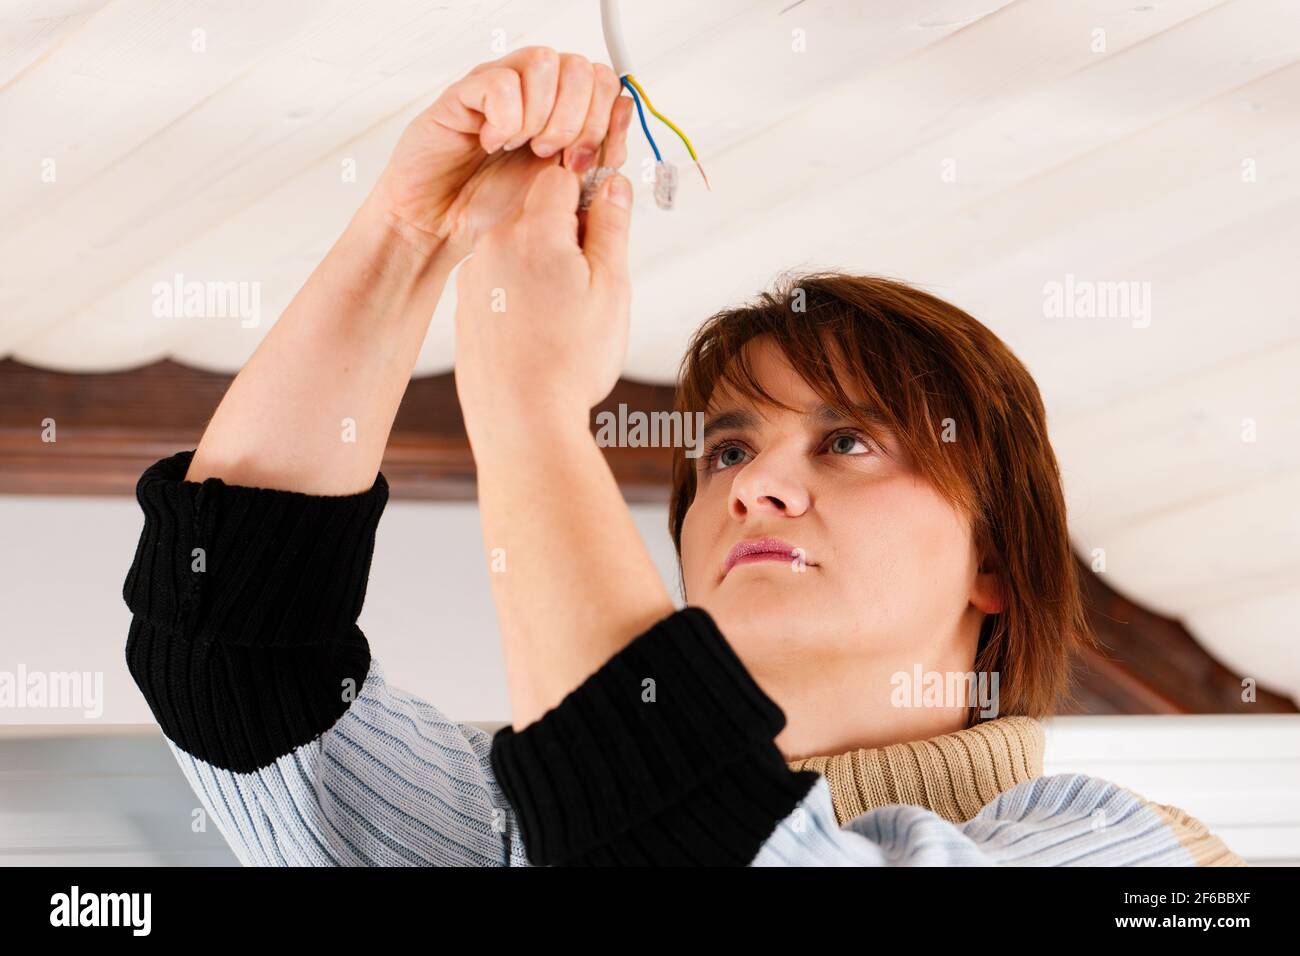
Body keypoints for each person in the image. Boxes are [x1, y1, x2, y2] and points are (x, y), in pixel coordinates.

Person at [122, 47, 1243, 866]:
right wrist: (415, 235)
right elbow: (233, 653)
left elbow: (685, 843)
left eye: (846, 440)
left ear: (995, 560)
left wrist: (523, 398)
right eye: (726, 447)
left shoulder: (1141, 860)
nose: (751, 481)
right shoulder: (519, 830)